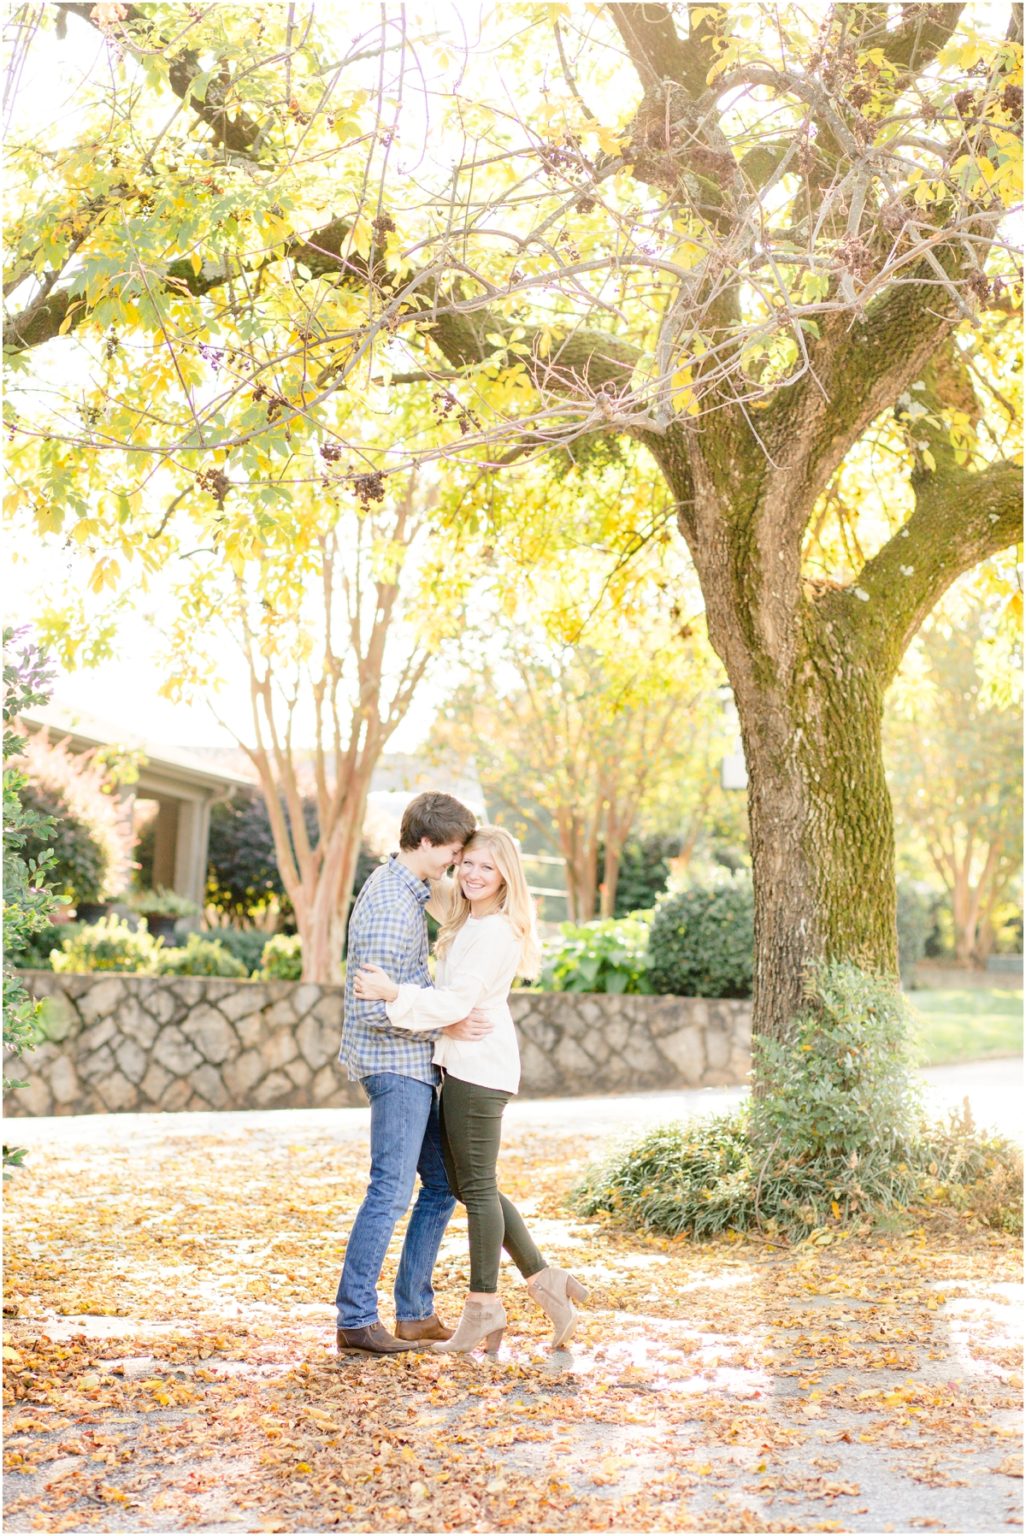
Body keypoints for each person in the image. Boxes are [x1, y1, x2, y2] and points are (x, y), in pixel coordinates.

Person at [354, 825, 588, 1354]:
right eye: (468, 863)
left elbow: (458, 1001)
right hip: (460, 1063)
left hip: (479, 1069)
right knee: (468, 1184)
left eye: (487, 866)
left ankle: (484, 1305)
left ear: (507, 874)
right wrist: (420, 849)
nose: (474, 874)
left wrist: (394, 994)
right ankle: (544, 1278)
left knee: (476, 1188)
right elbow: (421, 873)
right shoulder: (468, 919)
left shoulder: (496, 932)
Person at [335, 790, 485, 1357]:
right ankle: (355, 1319)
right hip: (394, 1067)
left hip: (414, 1066)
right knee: (390, 1192)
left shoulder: (408, 892)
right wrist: (443, 1026)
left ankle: (416, 1314)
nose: (455, 861)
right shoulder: (388, 906)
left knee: (442, 1185)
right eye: (451, 850)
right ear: (424, 842)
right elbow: (374, 1009)